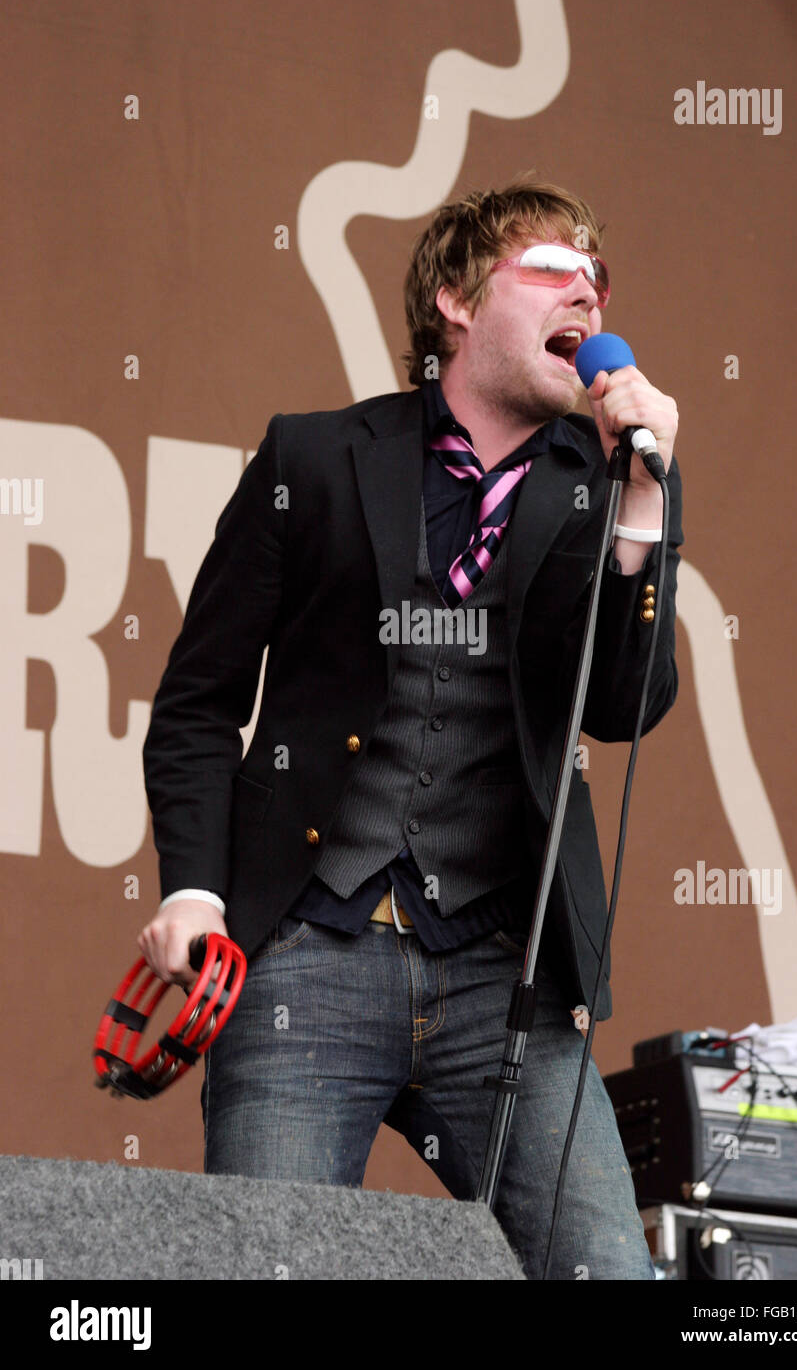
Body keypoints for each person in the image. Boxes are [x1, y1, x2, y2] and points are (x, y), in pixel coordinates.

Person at [139, 178, 682, 1280]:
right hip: (304, 955)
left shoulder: (605, 482)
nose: (583, 288)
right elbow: (197, 700)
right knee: (265, 1272)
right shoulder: (313, 459)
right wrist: (193, 887)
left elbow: (623, 705)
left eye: (595, 276)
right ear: (454, 300)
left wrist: (640, 518)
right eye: (547, 269)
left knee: (607, 1271)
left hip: (504, 977)